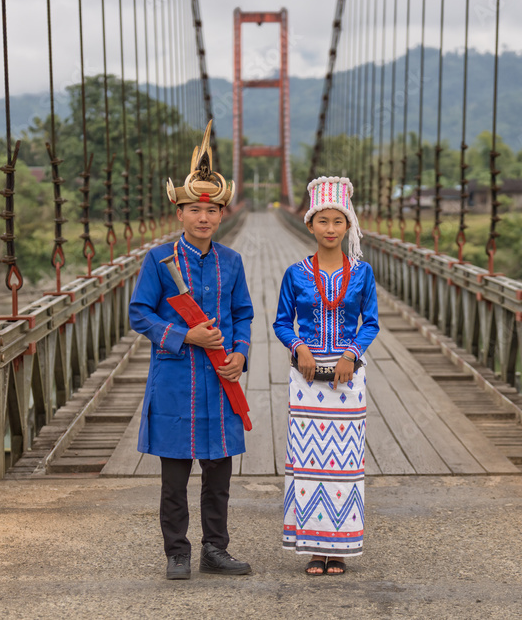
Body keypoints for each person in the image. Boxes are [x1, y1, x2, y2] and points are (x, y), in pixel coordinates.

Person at [129, 122, 254, 580]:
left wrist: (239, 353)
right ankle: (177, 552)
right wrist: (186, 337)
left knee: (219, 472)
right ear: (178, 212)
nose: (203, 217)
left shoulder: (232, 262)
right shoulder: (157, 260)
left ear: (222, 215)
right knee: (175, 476)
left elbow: (243, 314)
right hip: (177, 377)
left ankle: (215, 550)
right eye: (194, 209)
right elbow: (139, 314)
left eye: (212, 210)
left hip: (220, 380)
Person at [273, 176, 379, 576]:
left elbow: (371, 322)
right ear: (310, 225)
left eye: (338, 221)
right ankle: (315, 548)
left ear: (348, 225)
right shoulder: (295, 274)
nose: (331, 228)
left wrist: (352, 353)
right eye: (323, 221)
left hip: (348, 377)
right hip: (306, 374)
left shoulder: (363, 273)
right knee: (310, 459)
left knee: (345, 461)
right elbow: (283, 322)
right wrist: (298, 346)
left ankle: (341, 547)